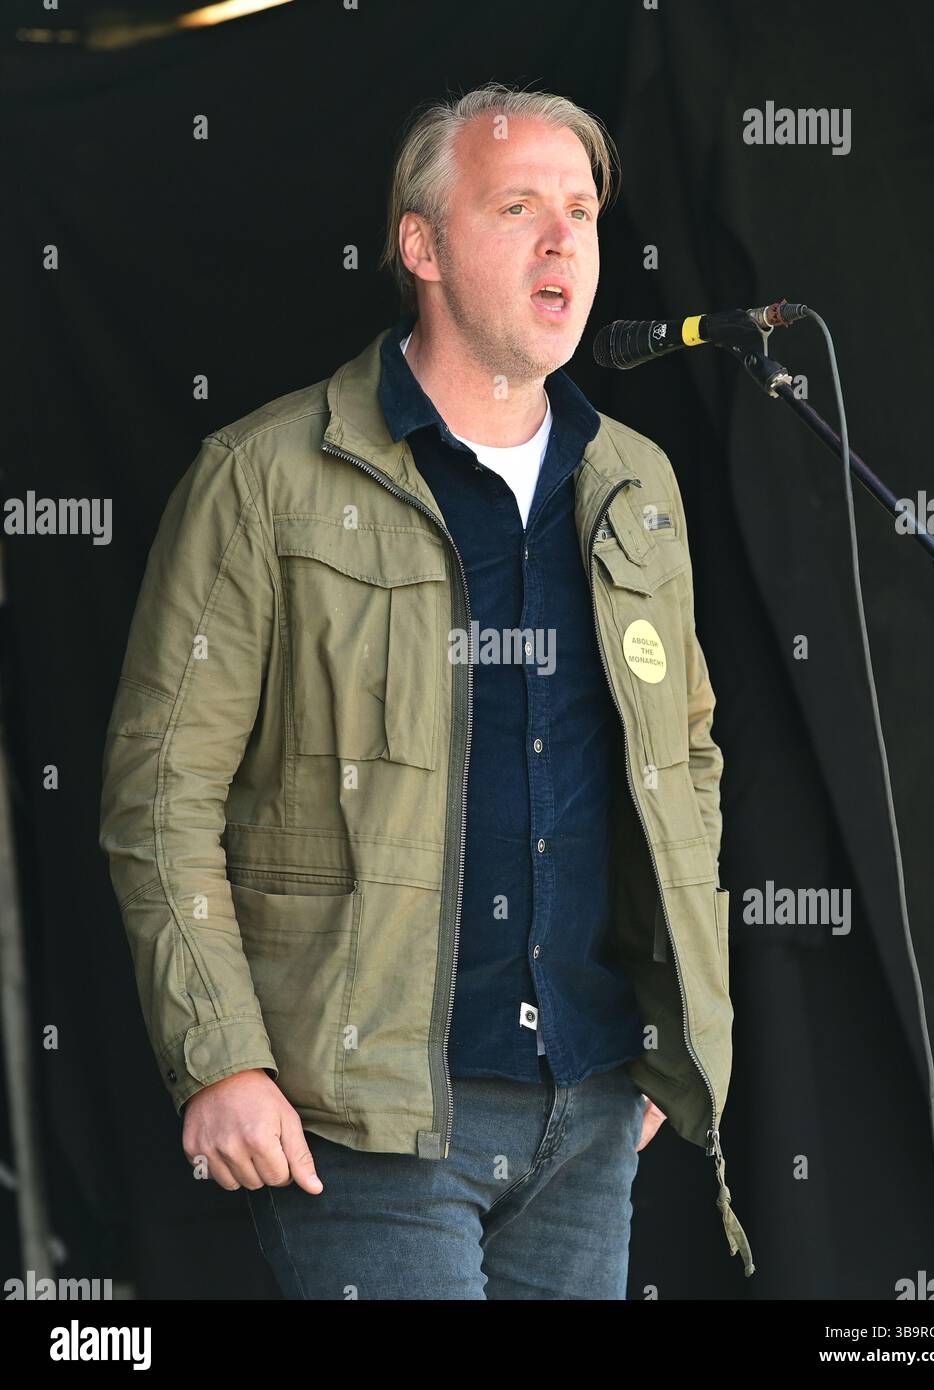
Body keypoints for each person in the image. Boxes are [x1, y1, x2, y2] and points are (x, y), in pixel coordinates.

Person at [98, 80, 752, 1299]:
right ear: (421, 245)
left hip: (591, 1104)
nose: (565, 240)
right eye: (518, 207)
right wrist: (221, 1060)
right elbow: (160, 793)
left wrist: (674, 1040)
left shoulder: (633, 483)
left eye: (583, 210)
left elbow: (690, 758)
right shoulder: (261, 478)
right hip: (369, 1125)